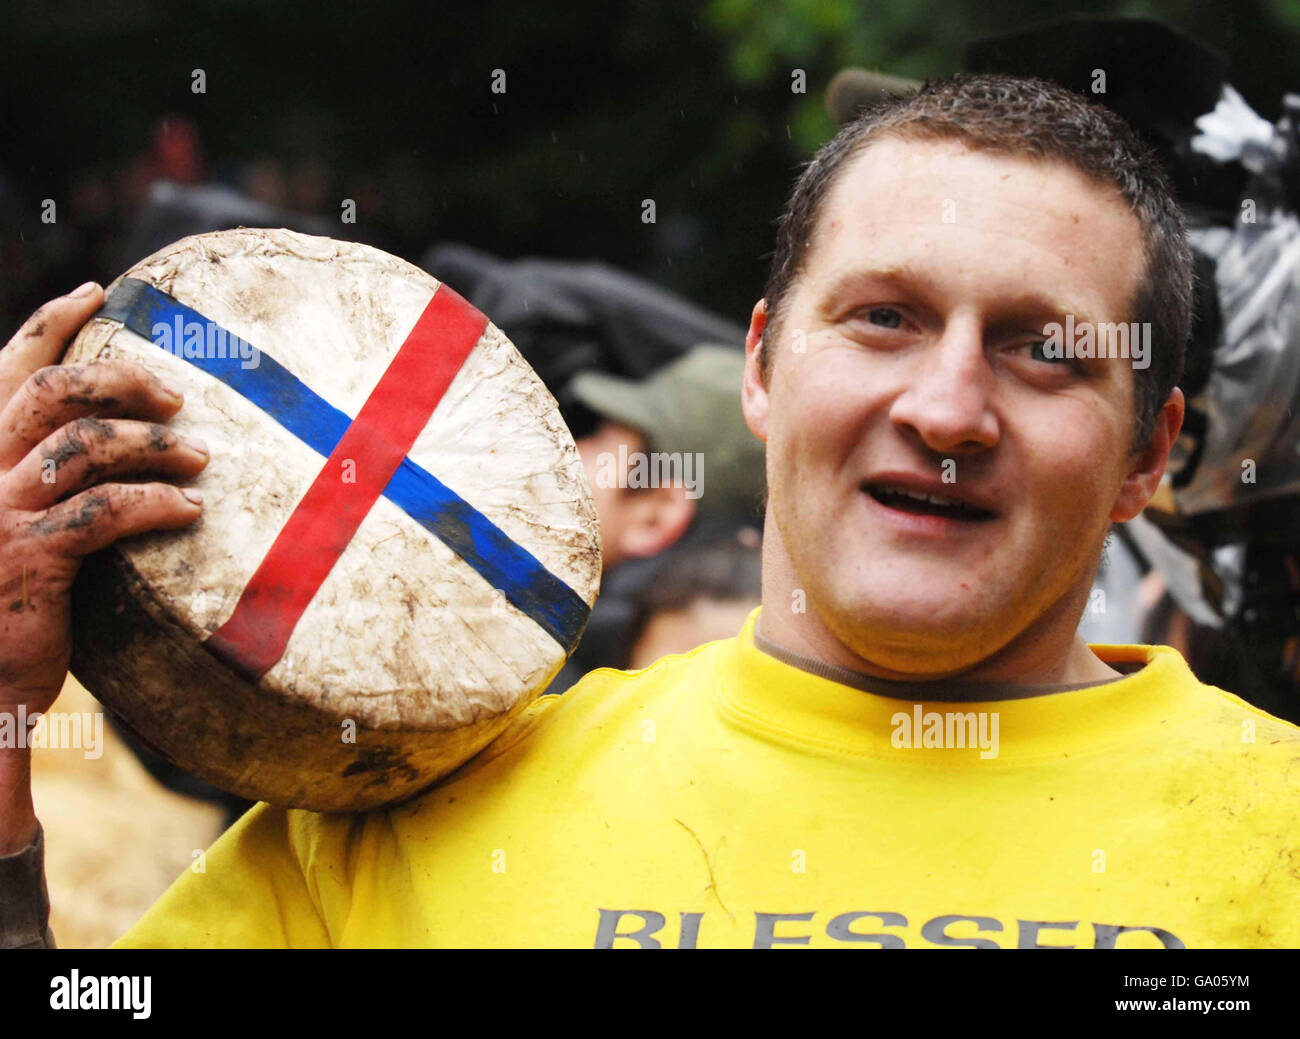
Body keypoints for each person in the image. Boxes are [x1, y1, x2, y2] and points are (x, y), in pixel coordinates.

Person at [3, 73, 1299, 949]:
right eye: (885, 318)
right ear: (760, 367)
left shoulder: (1277, 834)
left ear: (1151, 453)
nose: (949, 409)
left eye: (1044, 350)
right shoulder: (408, 809)